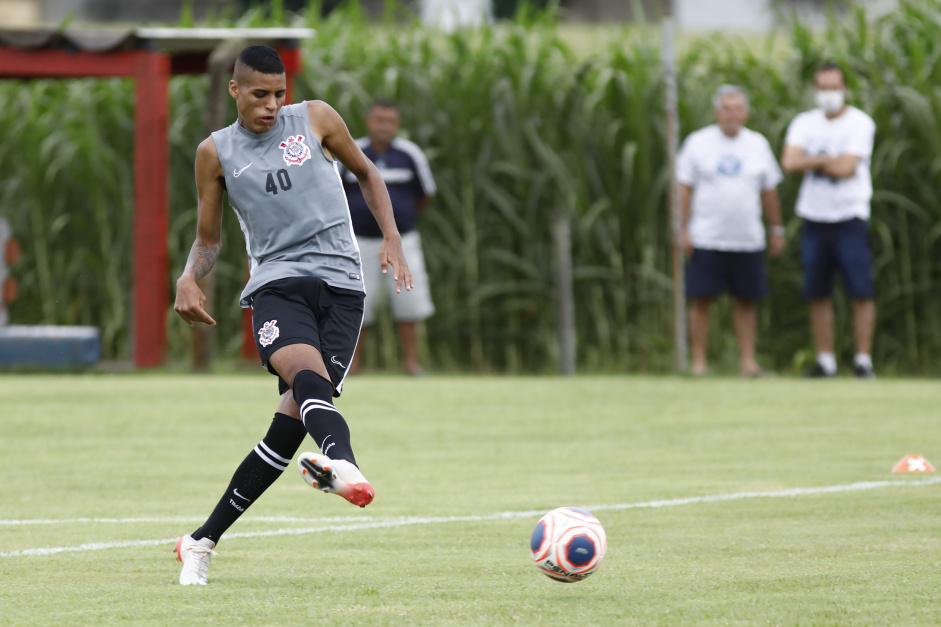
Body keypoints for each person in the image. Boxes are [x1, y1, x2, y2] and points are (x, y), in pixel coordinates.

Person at [171, 45, 411, 586]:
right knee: (306, 377)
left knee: (289, 426)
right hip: (277, 283)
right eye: (260, 94)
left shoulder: (318, 119)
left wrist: (392, 237)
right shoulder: (215, 153)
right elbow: (209, 239)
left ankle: (200, 541)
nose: (273, 105)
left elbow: (369, 175)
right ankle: (343, 463)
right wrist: (189, 276)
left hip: (344, 287)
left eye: (279, 94)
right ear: (235, 90)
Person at [677, 84, 785, 377]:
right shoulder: (697, 143)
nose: (732, 115)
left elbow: (769, 191)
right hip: (706, 237)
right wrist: (682, 229)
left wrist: (777, 229)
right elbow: (684, 189)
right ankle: (699, 363)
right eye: (726, 108)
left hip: (747, 239)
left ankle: (747, 363)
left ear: (746, 113)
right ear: (716, 112)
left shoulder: (758, 145)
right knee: (701, 299)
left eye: (738, 108)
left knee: (746, 301)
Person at [782, 62, 876, 378]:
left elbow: (847, 168)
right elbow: (790, 162)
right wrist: (828, 160)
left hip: (849, 216)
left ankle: (863, 360)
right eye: (823, 88)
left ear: (845, 89)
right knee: (817, 291)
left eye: (834, 88)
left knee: (861, 290)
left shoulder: (860, 123)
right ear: (814, 90)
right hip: (814, 217)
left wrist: (812, 160)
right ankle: (826, 360)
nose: (829, 94)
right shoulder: (804, 123)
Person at [343, 100, 436, 377]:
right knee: (359, 301)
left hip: (403, 241)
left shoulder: (410, 154)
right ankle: (353, 365)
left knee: (409, 300)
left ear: (397, 124)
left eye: (389, 121)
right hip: (358, 242)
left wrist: (397, 223)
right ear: (368, 121)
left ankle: (411, 364)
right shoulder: (351, 151)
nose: (383, 126)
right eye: (378, 120)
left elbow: (426, 194)